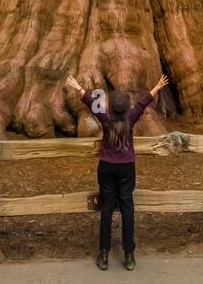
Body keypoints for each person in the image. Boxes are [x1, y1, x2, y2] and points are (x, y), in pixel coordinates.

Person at [65, 71, 168, 270]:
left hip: (106, 167)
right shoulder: (131, 117)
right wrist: (157, 85)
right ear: (126, 107)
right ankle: (129, 255)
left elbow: (89, 101)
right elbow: (144, 102)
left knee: (106, 209)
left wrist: (77, 86)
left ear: (111, 106)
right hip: (127, 168)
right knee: (127, 208)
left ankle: (104, 254)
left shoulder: (105, 119)